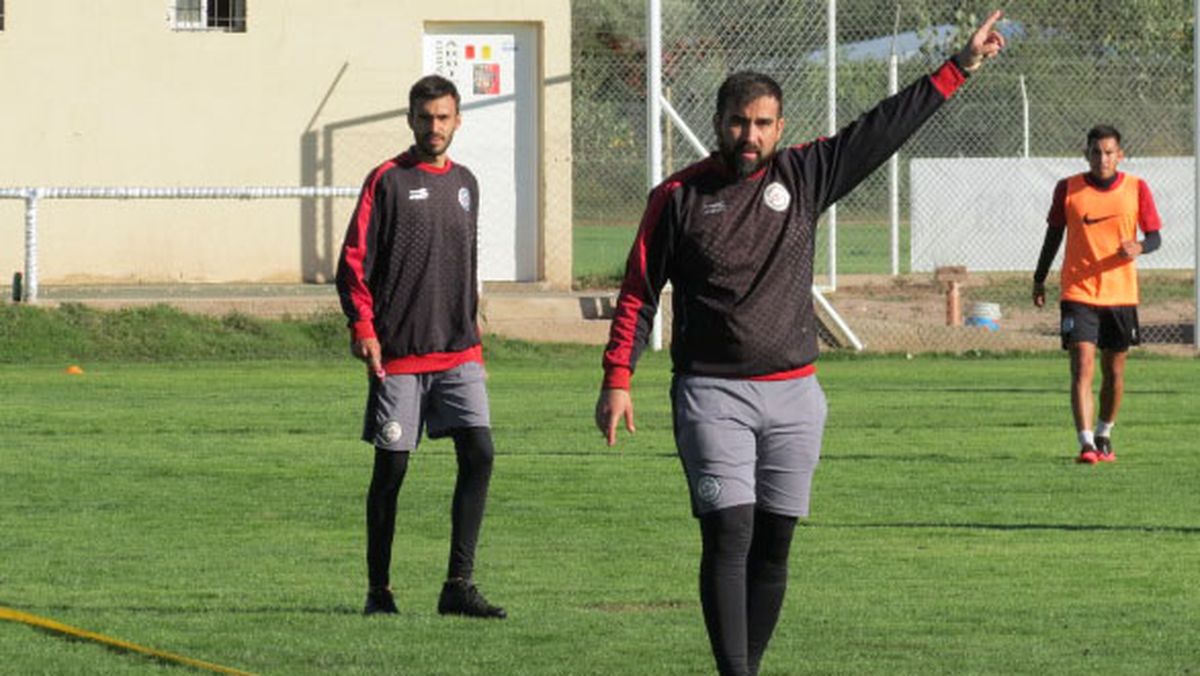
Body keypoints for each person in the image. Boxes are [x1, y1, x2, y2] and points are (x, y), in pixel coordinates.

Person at [593, 12, 1006, 676]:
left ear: (780, 128)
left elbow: (884, 127)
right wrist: (618, 378)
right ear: (719, 120)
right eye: (737, 121)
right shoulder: (677, 197)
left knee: (774, 544)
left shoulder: (807, 175)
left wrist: (961, 64)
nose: (748, 135)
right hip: (711, 392)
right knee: (729, 532)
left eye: (762, 123)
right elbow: (639, 291)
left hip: (795, 396)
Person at [336, 74, 505, 619]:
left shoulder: (467, 183)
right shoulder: (385, 180)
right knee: (392, 471)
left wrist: (475, 329)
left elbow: (465, 265)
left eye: (443, 117)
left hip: (459, 352)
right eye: (425, 117)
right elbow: (353, 264)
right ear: (410, 119)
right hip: (401, 355)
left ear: (458, 120)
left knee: (479, 453)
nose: (434, 127)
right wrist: (364, 328)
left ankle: (458, 585)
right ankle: (378, 591)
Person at [1032, 125, 1162, 464]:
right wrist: (1039, 278)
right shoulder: (1068, 189)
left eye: (1108, 152)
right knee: (1082, 365)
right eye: (1095, 152)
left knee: (1114, 373)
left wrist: (1140, 246)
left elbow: (1155, 237)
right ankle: (1086, 444)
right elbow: (1053, 236)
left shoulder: (1137, 188)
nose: (1102, 158)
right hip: (1078, 291)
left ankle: (1104, 432)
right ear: (1085, 154)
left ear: (1120, 154)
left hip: (1120, 294)